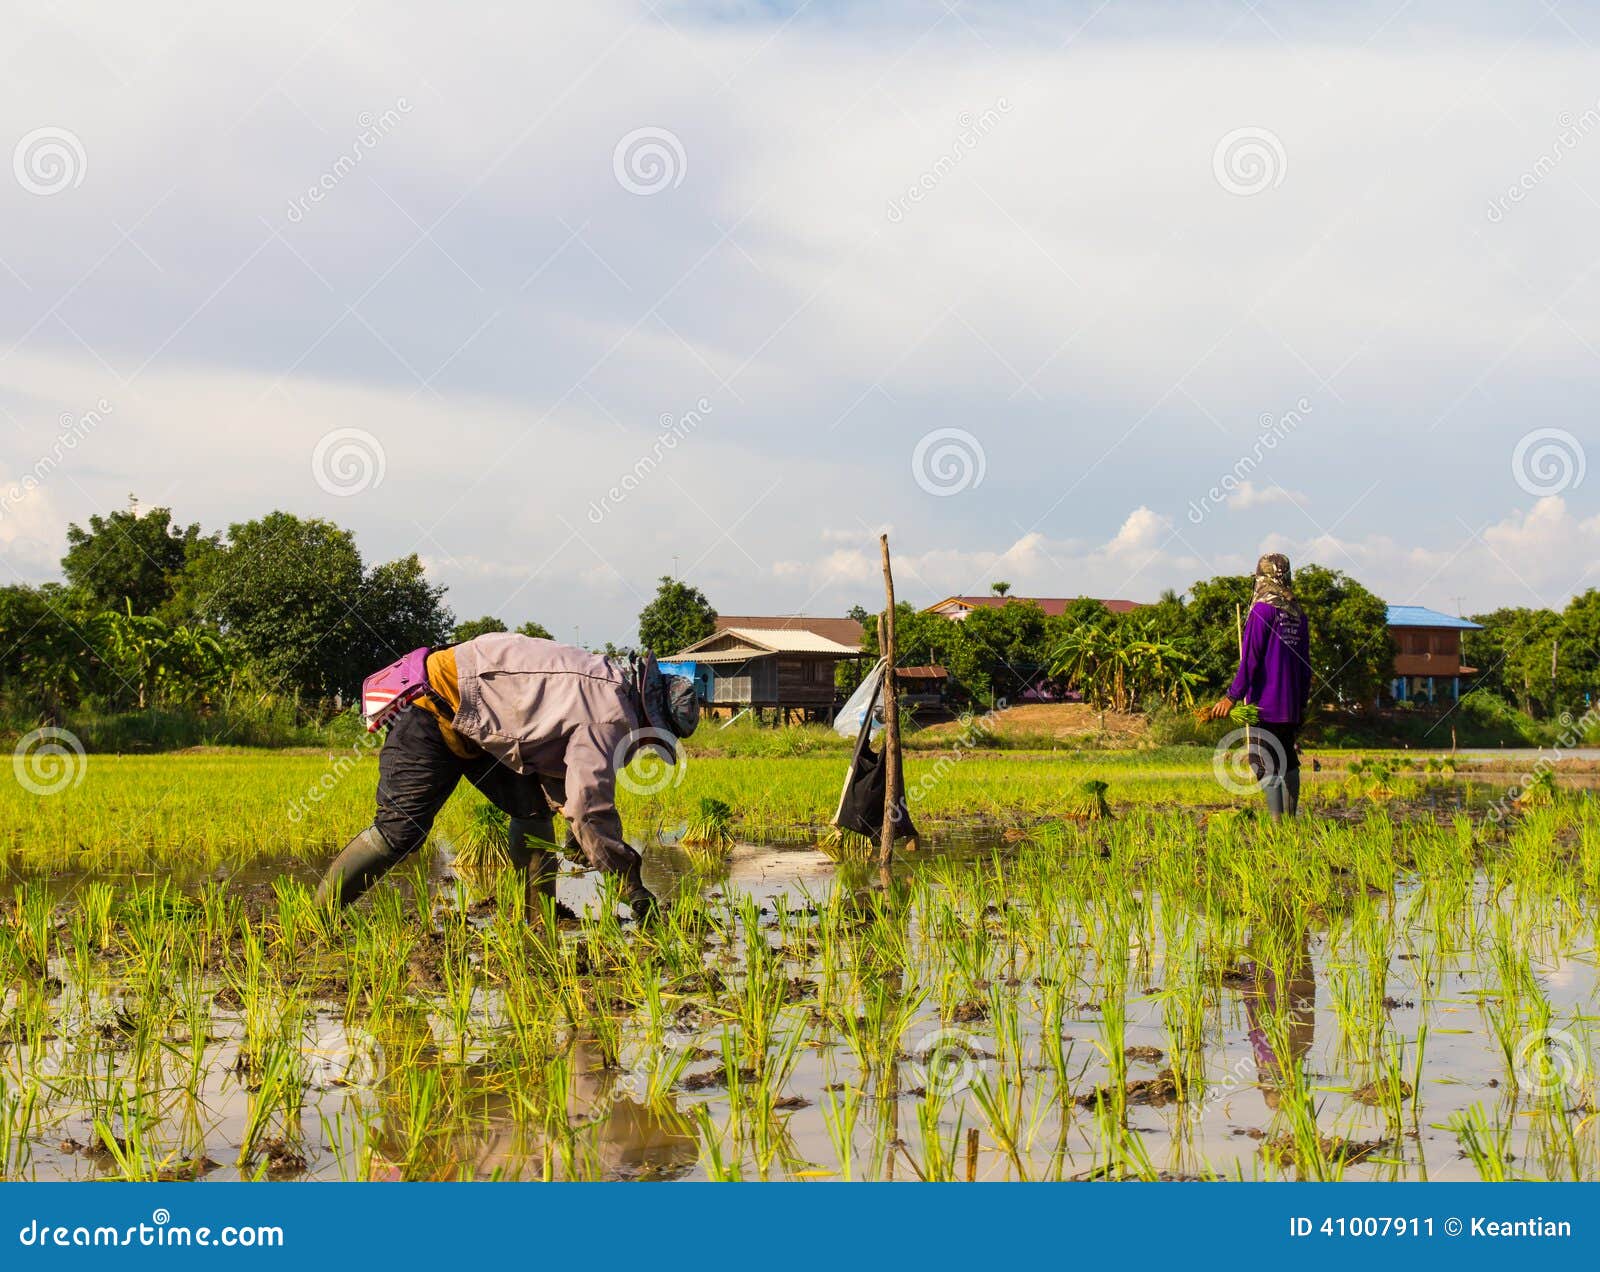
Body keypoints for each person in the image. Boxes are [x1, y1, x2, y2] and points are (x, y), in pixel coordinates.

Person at [317, 633, 699, 922]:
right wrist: (632, 887)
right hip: (434, 706)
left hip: (484, 722)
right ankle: (317, 919)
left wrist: (580, 833)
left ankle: (538, 922)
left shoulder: (608, 678)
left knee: (532, 812)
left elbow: (558, 764)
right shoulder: (611, 713)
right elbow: (588, 808)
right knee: (400, 832)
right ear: (652, 720)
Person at [1203, 553, 1312, 819]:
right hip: (1291, 704)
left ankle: (1278, 826)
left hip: (1266, 702)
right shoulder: (1297, 614)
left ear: (1262, 578)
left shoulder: (1262, 611)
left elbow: (1250, 660)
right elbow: (1306, 666)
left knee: (1262, 761)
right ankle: (1290, 820)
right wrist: (1301, 704)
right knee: (1287, 757)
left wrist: (1231, 697)